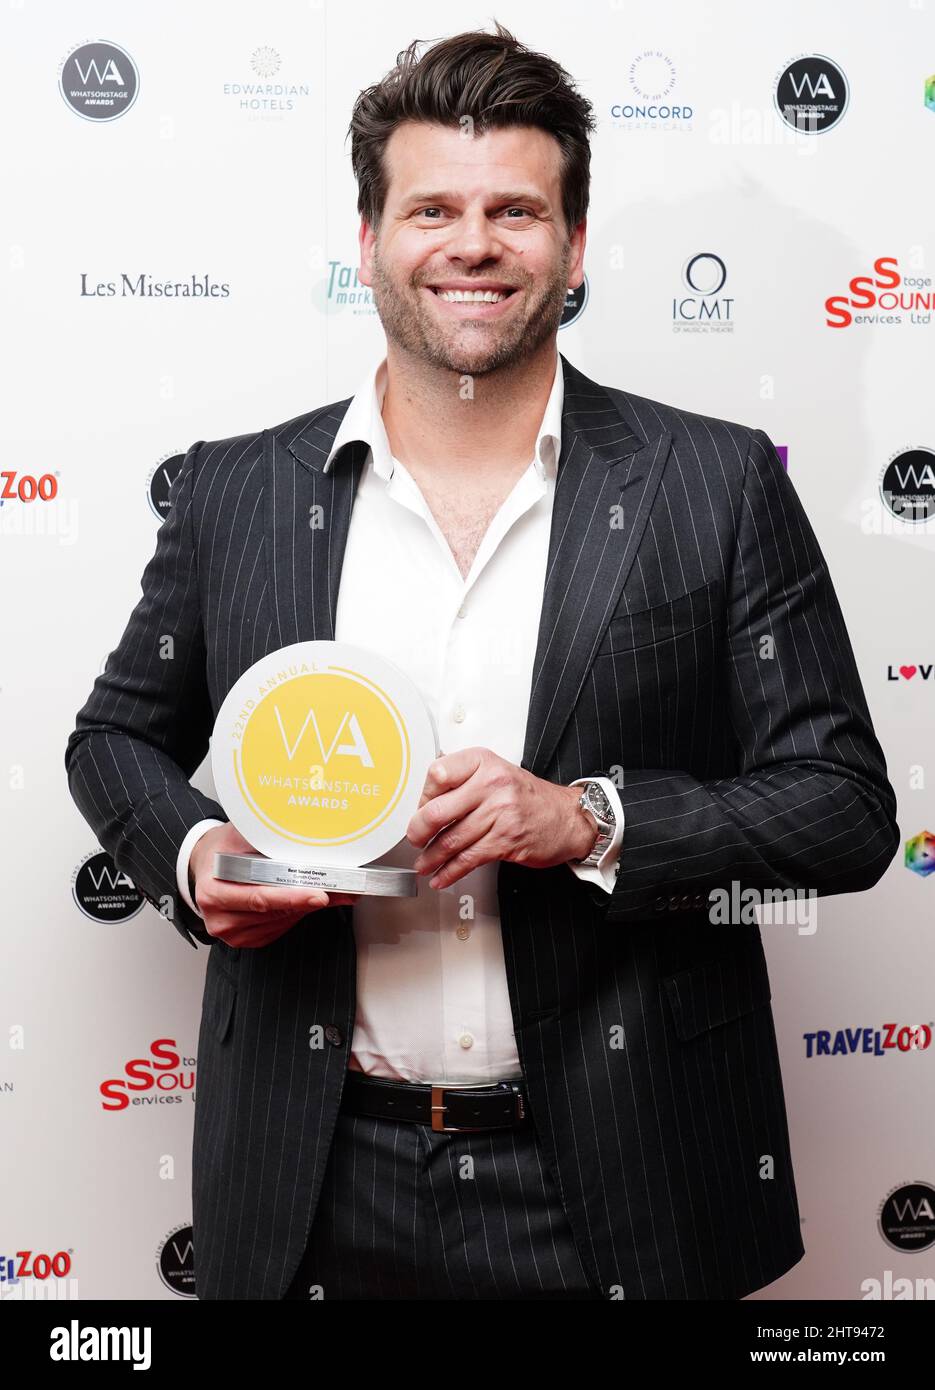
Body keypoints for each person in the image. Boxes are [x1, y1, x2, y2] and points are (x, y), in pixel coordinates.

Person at [65, 22, 899, 1301]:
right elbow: (113, 737)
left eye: (514, 209)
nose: (473, 243)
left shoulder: (713, 481)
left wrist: (589, 820)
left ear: (572, 245)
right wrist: (194, 855)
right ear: (368, 243)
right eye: (431, 209)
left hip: (621, 1172)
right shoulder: (237, 490)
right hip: (311, 1173)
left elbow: (841, 807)